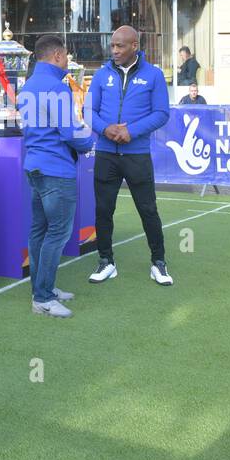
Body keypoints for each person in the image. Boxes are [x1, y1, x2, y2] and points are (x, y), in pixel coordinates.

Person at [85, 26, 173, 286]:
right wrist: (105, 128)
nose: (114, 51)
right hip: (105, 153)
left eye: (120, 46)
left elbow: (161, 113)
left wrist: (131, 132)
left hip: (136, 155)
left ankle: (158, 263)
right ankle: (106, 261)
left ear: (134, 46)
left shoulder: (154, 75)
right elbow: (88, 110)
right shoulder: (101, 75)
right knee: (103, 210)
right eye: (112, 46)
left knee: (148, 209)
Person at [18, 34, 94, 318]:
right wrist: (90, 142)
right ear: (58, 56)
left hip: (35, 166)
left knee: (39, 231)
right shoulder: (56, 87)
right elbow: (70, 132)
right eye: (66, 57)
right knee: (57, 233)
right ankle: (43, 296)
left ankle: (42, 288)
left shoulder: (27, 86)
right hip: (55, 169)